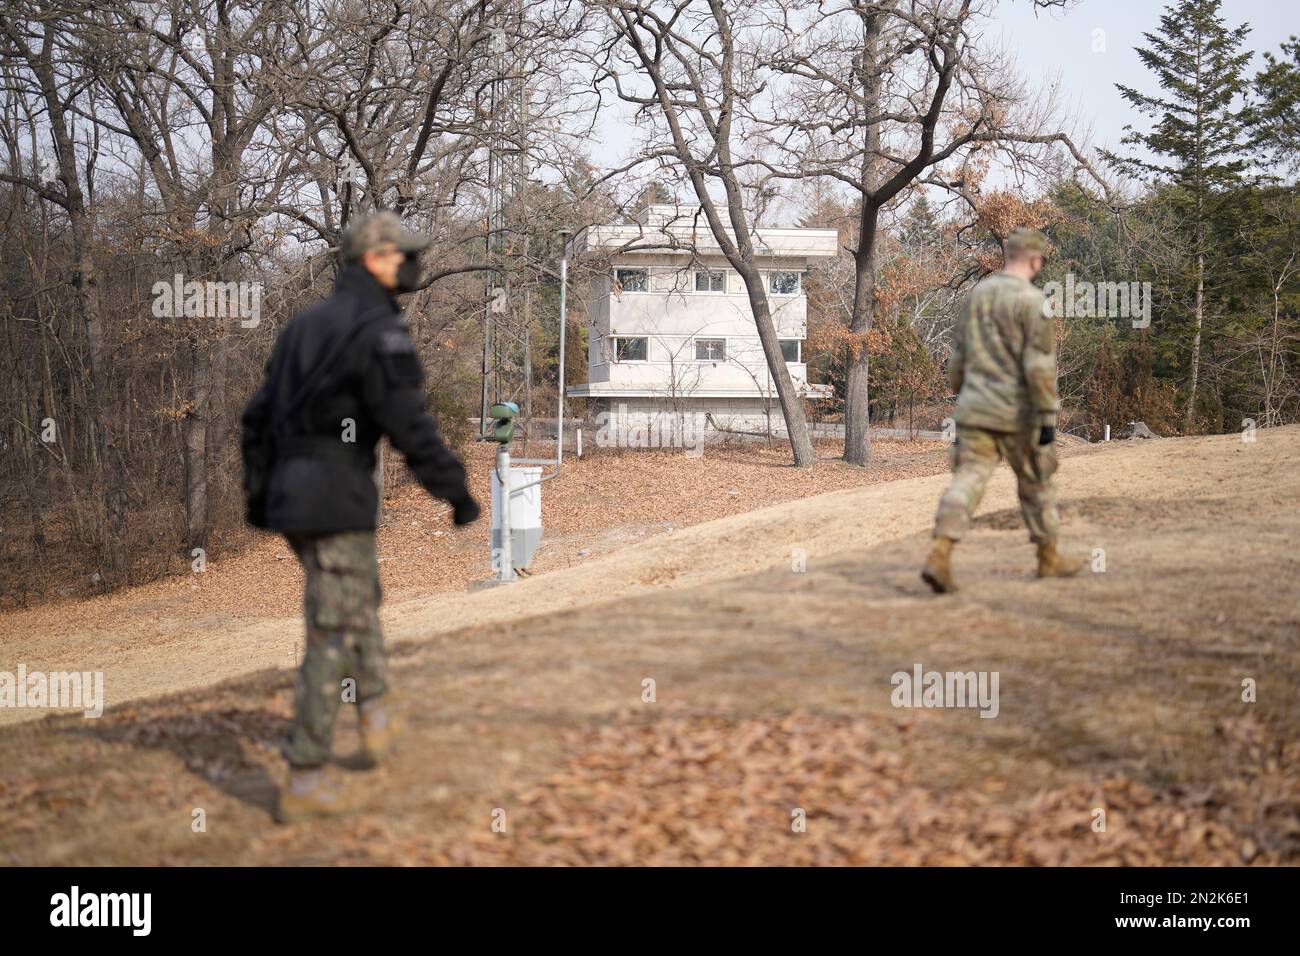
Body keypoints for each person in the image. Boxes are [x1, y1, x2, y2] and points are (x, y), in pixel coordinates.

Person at [241, 211, 480, 822]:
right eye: (406, 256)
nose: (414, 266)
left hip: (292, 499)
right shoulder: (378, 330)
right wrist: (453, 490)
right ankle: (306, 773)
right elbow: (408, 423)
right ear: (375, 259)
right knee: (333, 628)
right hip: (334, 497)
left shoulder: (304, 326)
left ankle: (376, 716)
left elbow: (256, 419)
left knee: (355, 598)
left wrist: (261, 495)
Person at [921, 227, 1084, 594]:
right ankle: (1048, 556)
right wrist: (1046, 417)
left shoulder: (978, 294)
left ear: (1008, 255)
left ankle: (940, 552)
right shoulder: (1032, 301)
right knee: (1036, 481)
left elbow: (958, 358)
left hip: (975, 409)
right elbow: (1039, 366)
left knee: (968, 478)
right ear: (1035, 259)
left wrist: (964, 396)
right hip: (1017, 413)